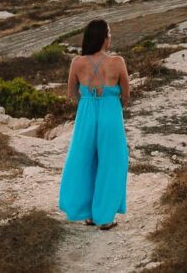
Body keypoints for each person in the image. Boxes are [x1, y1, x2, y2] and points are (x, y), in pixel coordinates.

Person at [58, 18, 130, 230]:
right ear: (103, 37)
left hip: (86, 112)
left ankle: (86, 213)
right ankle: (105, 216)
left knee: (83, 159)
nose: (110, 37)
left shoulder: (77, 63)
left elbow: (71, 93)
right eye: (109, 33)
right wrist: (114, 107)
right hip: (110, 111)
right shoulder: (117, 62)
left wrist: (87, 104)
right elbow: (126, 94)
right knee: (113, 161)